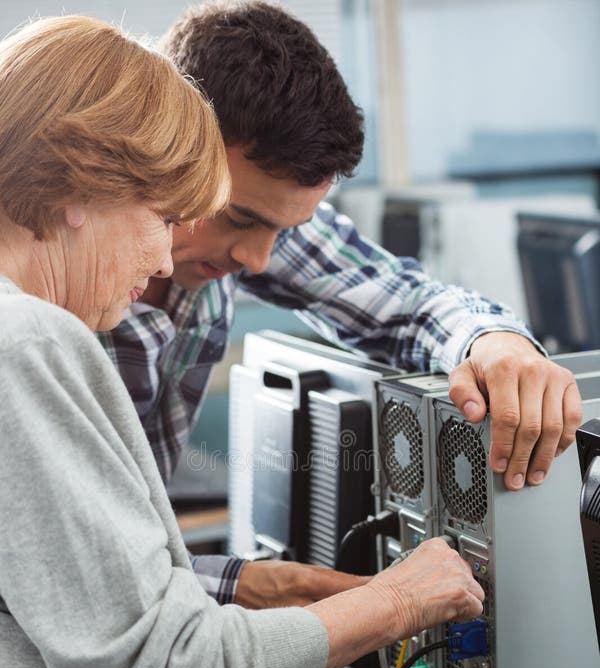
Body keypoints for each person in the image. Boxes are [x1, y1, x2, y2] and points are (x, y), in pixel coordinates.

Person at [0, 15, 485, 668]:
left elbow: (66, 605)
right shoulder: (28, 341)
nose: (161, 252)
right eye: (161, 212)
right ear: (78, 183)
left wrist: (256, 600)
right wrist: (398, 601)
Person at [98, 0, 582, 618]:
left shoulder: (251, 217)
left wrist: (494, 344)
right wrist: (251, 594)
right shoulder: (46, 298)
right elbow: (59, 574)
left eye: (282, 229)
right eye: (241, 218)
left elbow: (402, 303)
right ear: (166, 142)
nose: (257, 259)